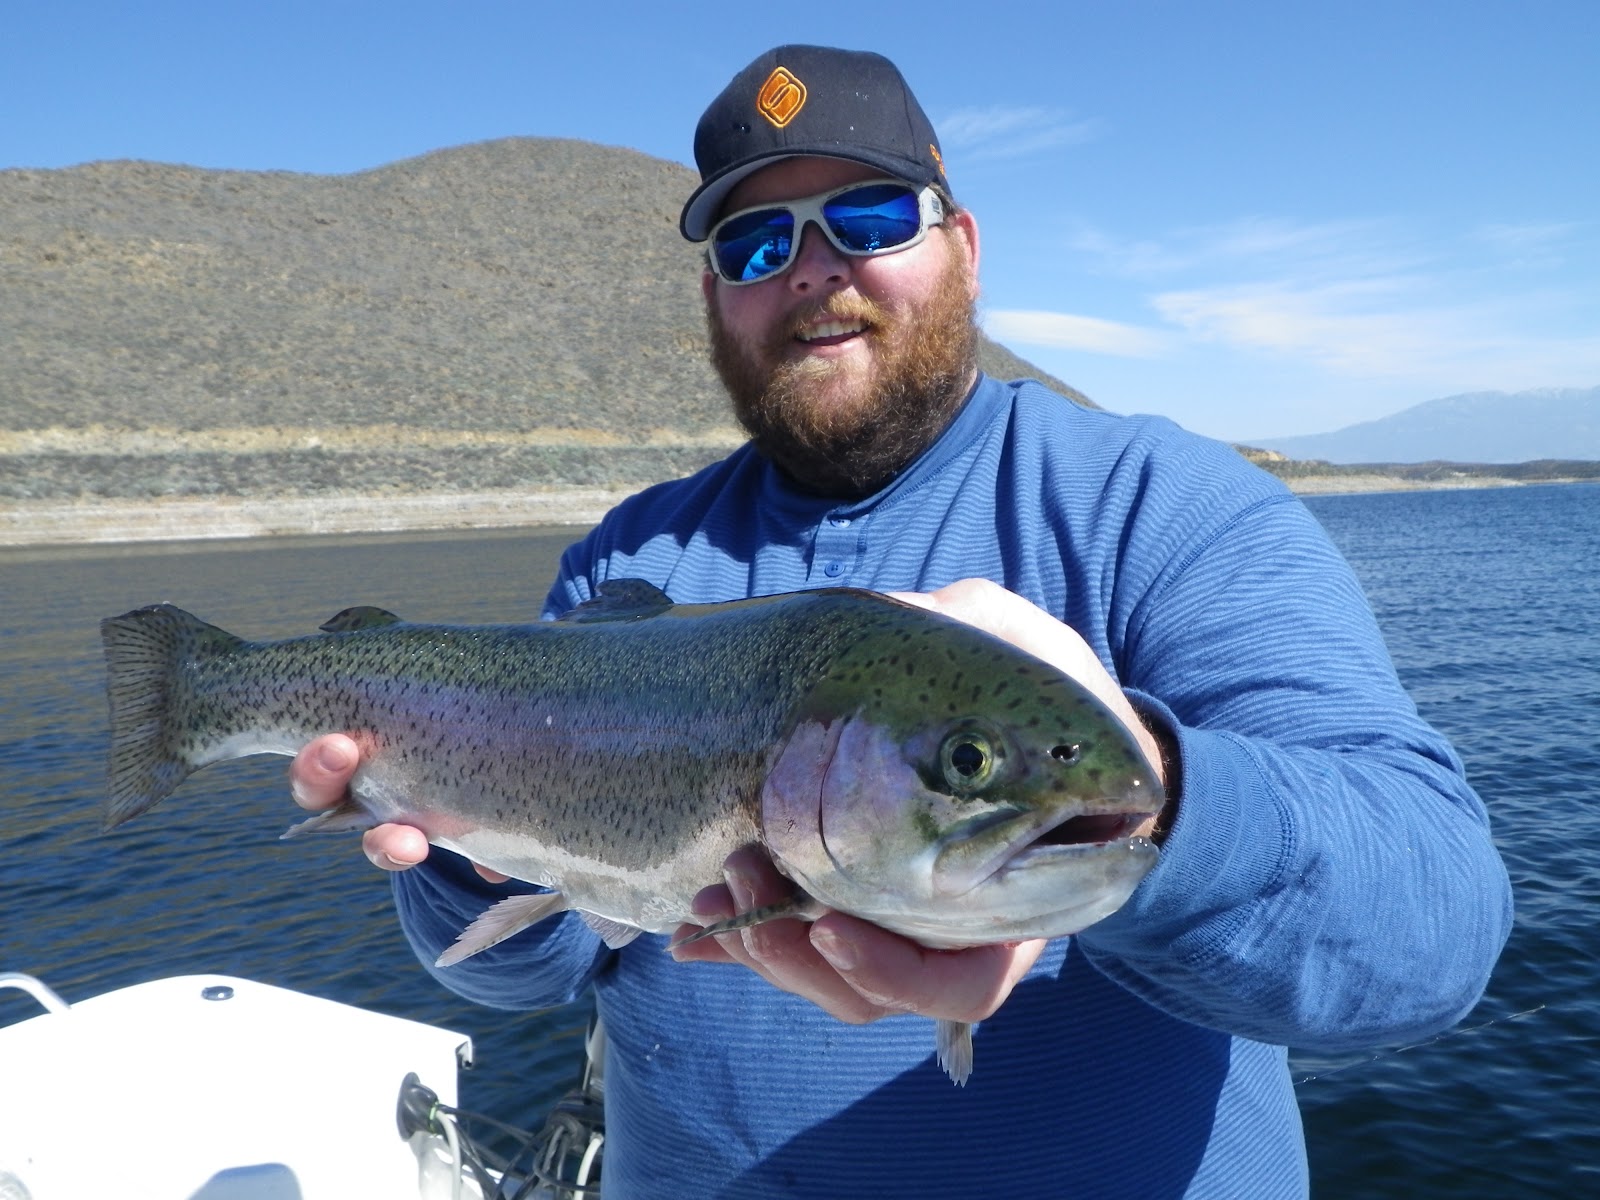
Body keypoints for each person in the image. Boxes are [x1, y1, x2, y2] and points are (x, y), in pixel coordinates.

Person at [290, 45, 1512, 1198]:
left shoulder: (1165, 509)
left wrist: (1172, 797)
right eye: (756, 241)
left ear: (964, 247)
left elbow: (1430, 938)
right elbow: (532, 970)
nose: (814, 269)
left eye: (868, 219)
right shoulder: (629, 557)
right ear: (717, 293)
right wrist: (455, 836)